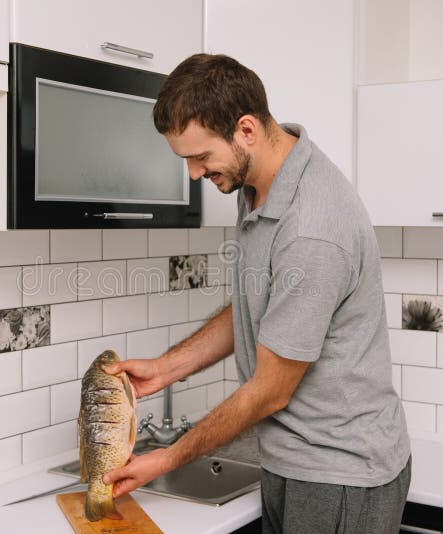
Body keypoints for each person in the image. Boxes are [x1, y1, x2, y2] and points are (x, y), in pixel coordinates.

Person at [102, 53, 411, 534]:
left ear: (246, 129)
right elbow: (257, 306)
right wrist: (165, 370)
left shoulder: (311, 229)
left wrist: (166, 459)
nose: (195, 175)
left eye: (201, 157)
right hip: (294, 460)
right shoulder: (257, 186)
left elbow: (269, 391)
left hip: (340, 475)